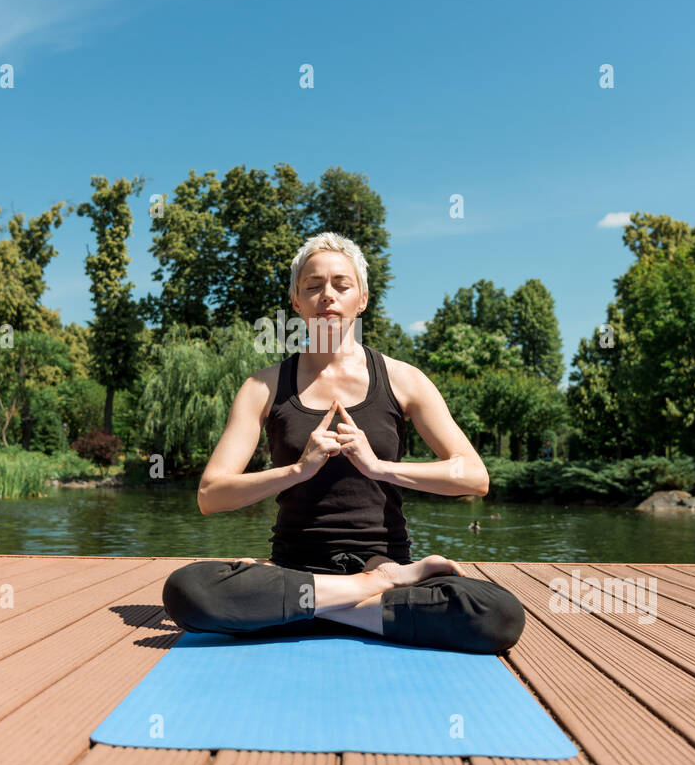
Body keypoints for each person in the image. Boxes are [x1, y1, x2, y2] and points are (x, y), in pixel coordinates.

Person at [161, 232, 526, 654]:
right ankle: (364, 596)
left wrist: (378, 467)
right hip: (295, 569)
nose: (327, 296)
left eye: (341, 284)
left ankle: (302, 608)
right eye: (313, 286)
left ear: (362, 298)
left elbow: (473, 476)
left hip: (382, 560)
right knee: (186, 589)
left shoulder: (404, 379)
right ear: (296, 302)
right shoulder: (262, 387)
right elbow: (211, 495)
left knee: (498, 614)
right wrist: (298, 470)